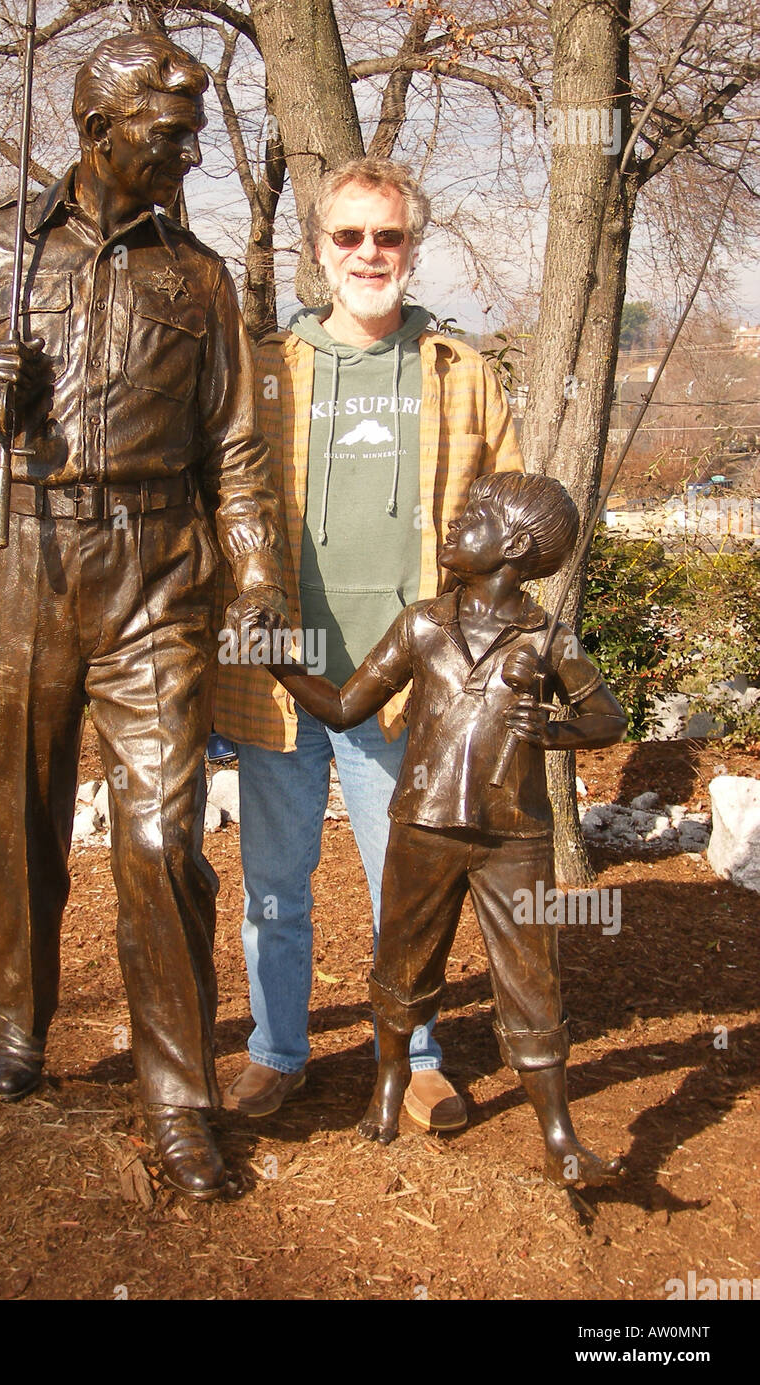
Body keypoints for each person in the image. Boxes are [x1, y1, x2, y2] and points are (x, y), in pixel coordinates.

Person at [0, 33, 287, 1201]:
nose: (191, 152)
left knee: (163, 842)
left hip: (161, 569)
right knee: (21, 813)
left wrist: (257, 574)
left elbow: (238, 446)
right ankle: (23, 1015)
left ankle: (178, 1098)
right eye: (171, 134)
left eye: (194, 131)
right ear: (100, 128)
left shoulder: (201, 275)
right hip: (22, 551)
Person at [215, 157, 523, 1129]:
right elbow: (210, 511)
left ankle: (419, 1057)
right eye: (348, 236)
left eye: (386, 236)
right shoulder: (261, 374)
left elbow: (512, 518)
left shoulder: (462, 374)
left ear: (410, 246)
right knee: (273, 883)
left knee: (414, 887)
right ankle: (274, 1052)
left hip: (409, 687)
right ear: (318, 250)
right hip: (281, 678)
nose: (369, 254)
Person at [269, 472, 626, 1185]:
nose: (452, 526)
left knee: (532, 976)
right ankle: (391, 1079)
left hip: (514, 838)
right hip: (423, 825)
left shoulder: (548, 638)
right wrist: (280, 660)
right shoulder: (422, 625)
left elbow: (608, 718)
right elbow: (344, 707)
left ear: (516, 546)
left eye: (474, 518)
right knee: (404, 962)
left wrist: (554, 730)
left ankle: (558, 1136)